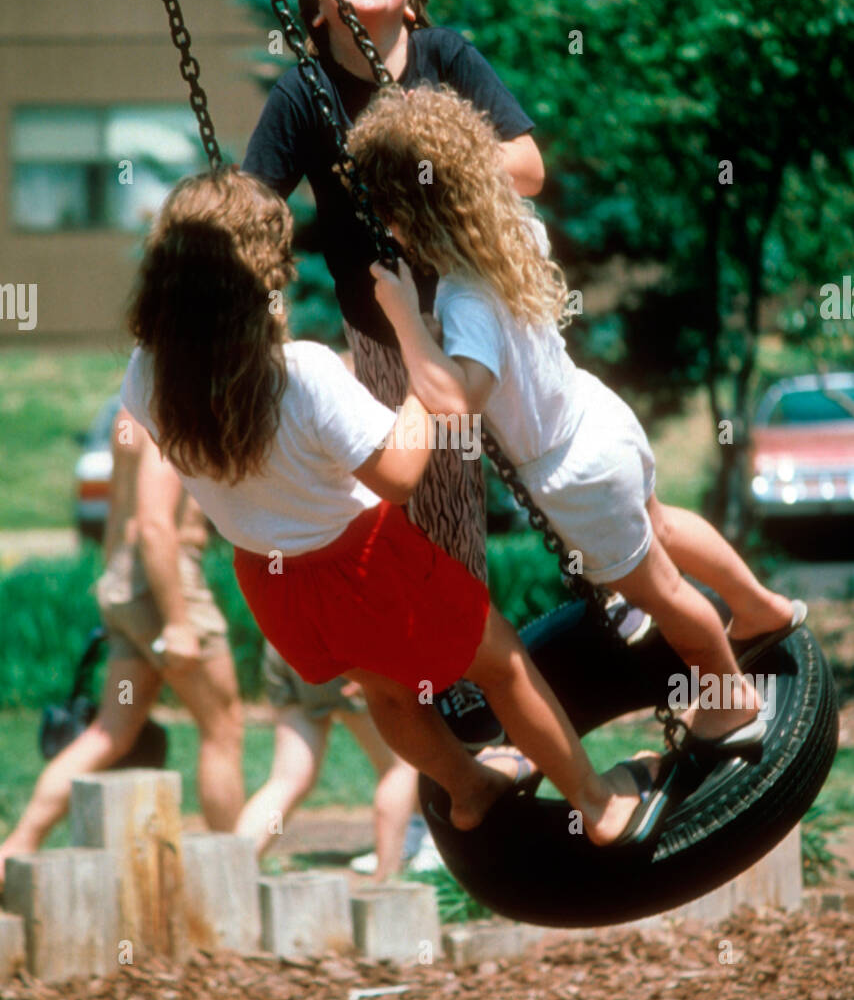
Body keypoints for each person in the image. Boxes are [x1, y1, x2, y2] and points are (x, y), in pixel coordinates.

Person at [118, 165, 678, 849]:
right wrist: (427, 375)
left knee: (387, 693)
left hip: (277, 584)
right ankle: (597, 806)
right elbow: (399, 475)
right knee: (502, 664)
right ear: (264, 273)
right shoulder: (303, 376)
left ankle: (470, 790)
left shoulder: (146, 376)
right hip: (366, 561)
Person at [346, 85, 808, 755]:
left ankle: (730, 701)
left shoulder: (466, 297)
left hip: (575, 470)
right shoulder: (513, 230)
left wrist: (406, 323)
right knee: (663, 521)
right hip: (601, 416)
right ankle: (761, 607)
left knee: (660, 591)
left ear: (399, 217)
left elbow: (457, 400)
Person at [242, 0, 543, 595]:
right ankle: (458, 664)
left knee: (547, 448)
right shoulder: (304, 92)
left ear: (410, 1)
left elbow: (528, 167)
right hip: (385, 328)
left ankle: (611, 585)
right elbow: (256, 202)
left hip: (481, 304)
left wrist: (435, 161)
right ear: (317, 12)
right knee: (437, 502)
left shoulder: (446, 56)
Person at [0, 408, 244, 890]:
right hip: (165, 581)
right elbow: (155, 527)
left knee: (112, 731)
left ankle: (15, 850)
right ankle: (233, 877)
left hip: (127, 581)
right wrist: (176, 622)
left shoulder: (129, 414)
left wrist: (114, 590)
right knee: (223, 726)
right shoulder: (170, 416)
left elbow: (118, 514)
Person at [236, 642, 422, 881]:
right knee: (399, 766)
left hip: (283, 644)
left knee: (287, 779)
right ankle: (386, 882)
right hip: (341, 647)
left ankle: (230, 873)